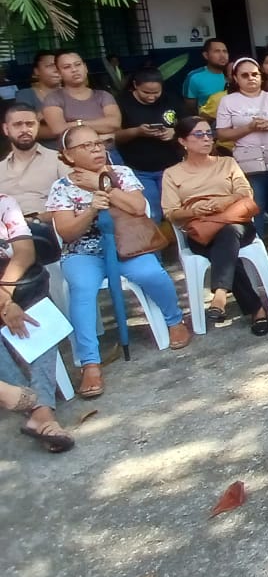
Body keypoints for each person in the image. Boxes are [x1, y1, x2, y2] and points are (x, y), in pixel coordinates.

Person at [47, 125, 192, 398]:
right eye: (85, 146)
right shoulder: (61, 187)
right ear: (67, 155)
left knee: (151, 273)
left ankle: (174, 321)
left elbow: (138, 208)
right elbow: (66, 232)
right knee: (82, 291)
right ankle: (90, 362)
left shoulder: (122, 174)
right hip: (84, 251)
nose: (95, 149)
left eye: (98, 143)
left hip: (128, 245)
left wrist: (102, 187)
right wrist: (91, 208)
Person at [162, 117, 268, 336]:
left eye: (208, 133)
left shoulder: (227, 163)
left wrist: (224, 201)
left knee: (228, 233)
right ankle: (255, 308)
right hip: (201, 230)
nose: (206, 139)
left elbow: (245, 192)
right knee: (225, 245)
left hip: (236, 221)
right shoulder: (172, 173)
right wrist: (195, 211)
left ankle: (221, 293)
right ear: (183, 141)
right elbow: (171, 212)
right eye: (199, 135)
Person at [0, 197, 73, 452]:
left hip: (14, 284)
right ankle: (40, 411)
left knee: (36, 313)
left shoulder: (4, 203)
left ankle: (38, 411)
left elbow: (24, 253)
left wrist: (5, 297)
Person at [215, 57, 268, 236]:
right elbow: (222, 133)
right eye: (245, 75)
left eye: (255, 74)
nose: (251, 78)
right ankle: (257, 242)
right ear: (235, 78)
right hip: (248, 159)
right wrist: (249, 128)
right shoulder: (229, 101)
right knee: (256, 202)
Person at [114, 68, 182, 222]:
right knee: (152, 213)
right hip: (139, 169)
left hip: (171, 167)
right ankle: (156, 245)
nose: (152, 97)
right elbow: (115, 137)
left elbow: (187, 123)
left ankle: (180, 245)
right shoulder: (122, 103)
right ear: (135, 85)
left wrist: (174, 132)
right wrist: (137, 132)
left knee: (176, 210)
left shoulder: (170, 98)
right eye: (146, 92)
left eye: (156, 92)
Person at [41, 51, 121, 149]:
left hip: (108, 153)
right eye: (67, 67)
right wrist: (100, 131)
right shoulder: (53, 98)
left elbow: (114, 123)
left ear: (85, 68)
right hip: (75, 157)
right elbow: (58, 129)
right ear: (59, 73)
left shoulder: (104, 96)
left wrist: (76, 123)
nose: (74, 70)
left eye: (78, 64)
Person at [2, 102, 69, 219]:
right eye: (18, 125)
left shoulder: (59, 160)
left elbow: (75, 201)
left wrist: (37, 220)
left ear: (37, 126)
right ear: (6, 129)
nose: (24, 130)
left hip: (43, 227)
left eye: (30, 124)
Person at [14, 51, 61, 140]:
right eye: (49, 66)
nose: (56, 69)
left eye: (58, 65)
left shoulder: (71, 92)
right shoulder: (25, 95)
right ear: (36, 71)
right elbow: (27, 130)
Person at [182, 38, 230, 114]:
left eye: (225, 51)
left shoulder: (235, 74)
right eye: (217, 51)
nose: (222, 55)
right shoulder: (194, 77)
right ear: (206, 55)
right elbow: (190, 108)